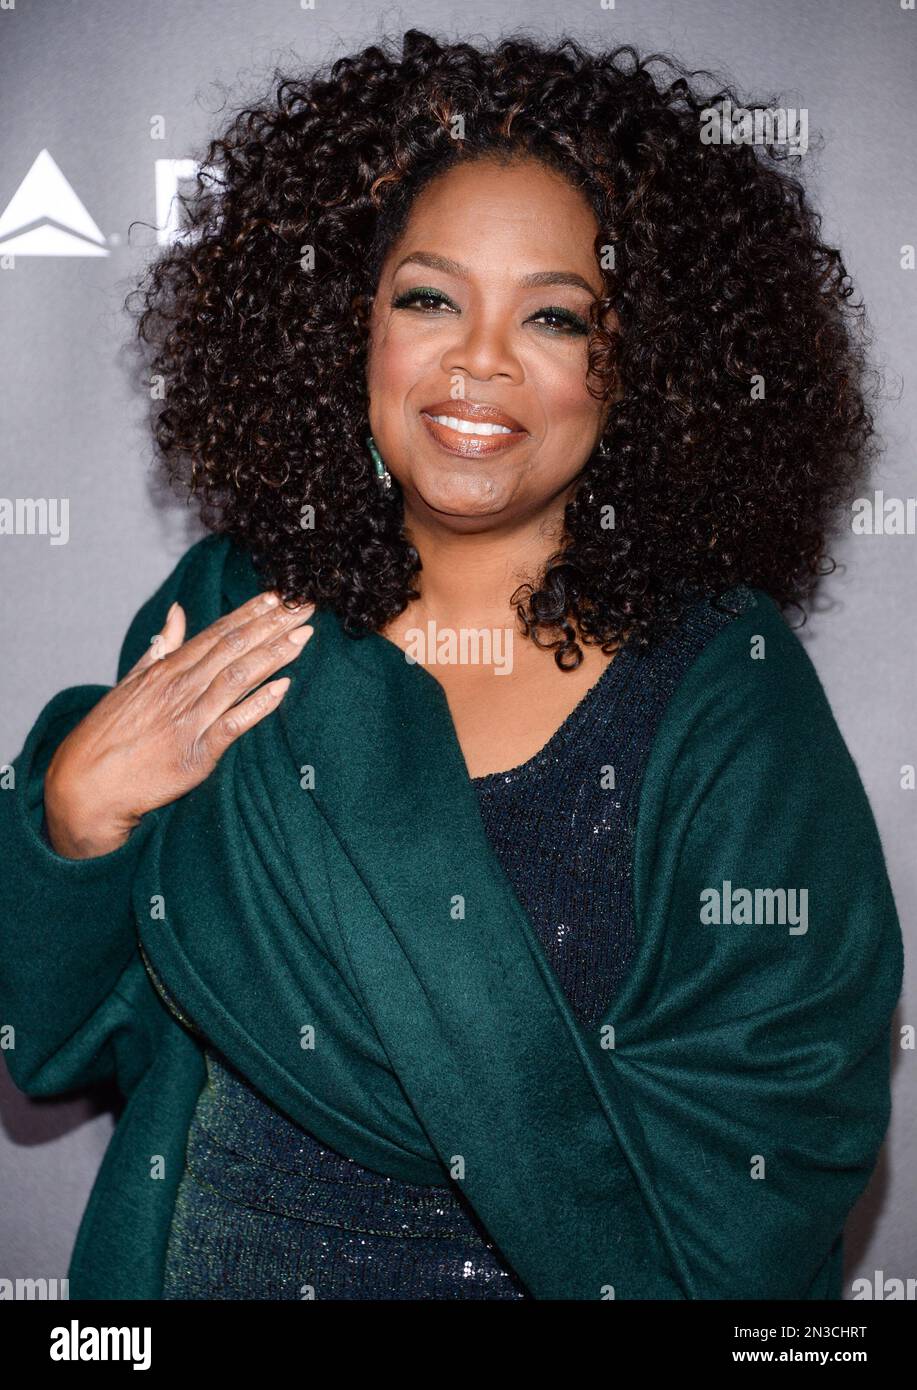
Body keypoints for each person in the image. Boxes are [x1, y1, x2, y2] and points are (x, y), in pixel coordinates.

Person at [0, 30, 903, 1301]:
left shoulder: (723, 687)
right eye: (428, 297)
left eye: (552, 314)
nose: (479, 359)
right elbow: (62, 1033)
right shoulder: (229, 609)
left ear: (634, 371)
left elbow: (778, 1121)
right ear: (346, 329)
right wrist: (72, 820)